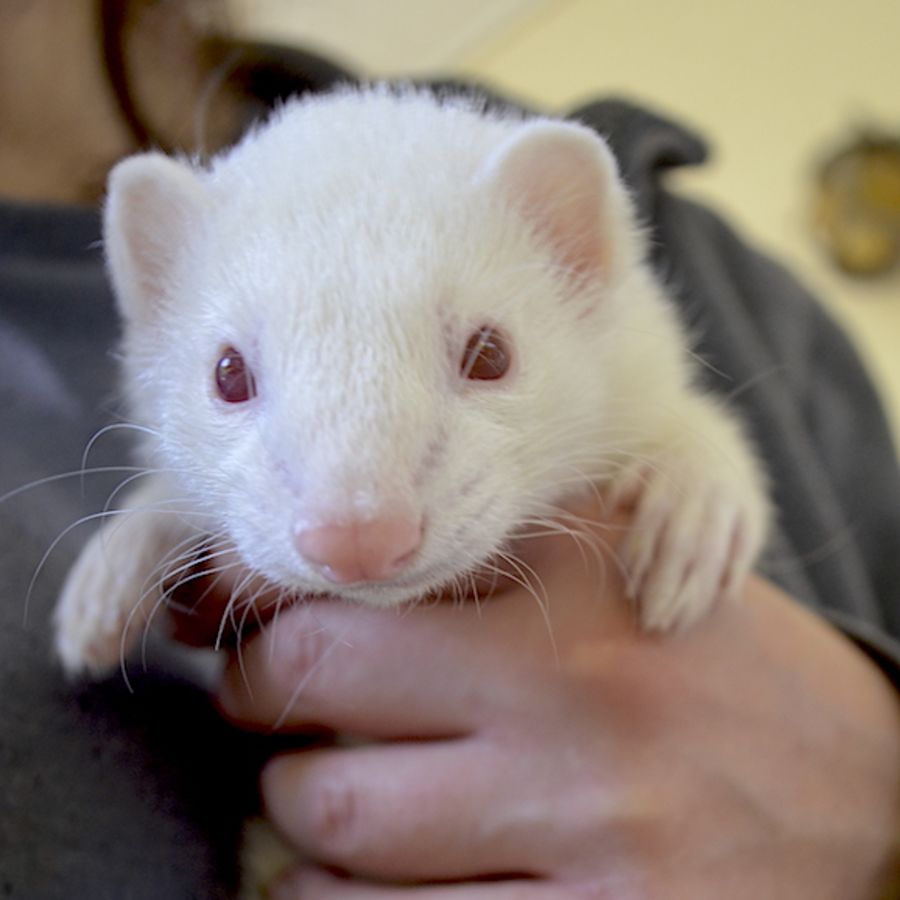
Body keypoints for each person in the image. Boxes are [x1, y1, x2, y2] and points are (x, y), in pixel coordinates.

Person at [2, 2, 900, 898]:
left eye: (484, 357)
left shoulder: (705, 269)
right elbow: (183, 456)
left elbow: (660, 415)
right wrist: (163, 514)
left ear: (581, 257)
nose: (355, 531)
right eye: (233, 380)